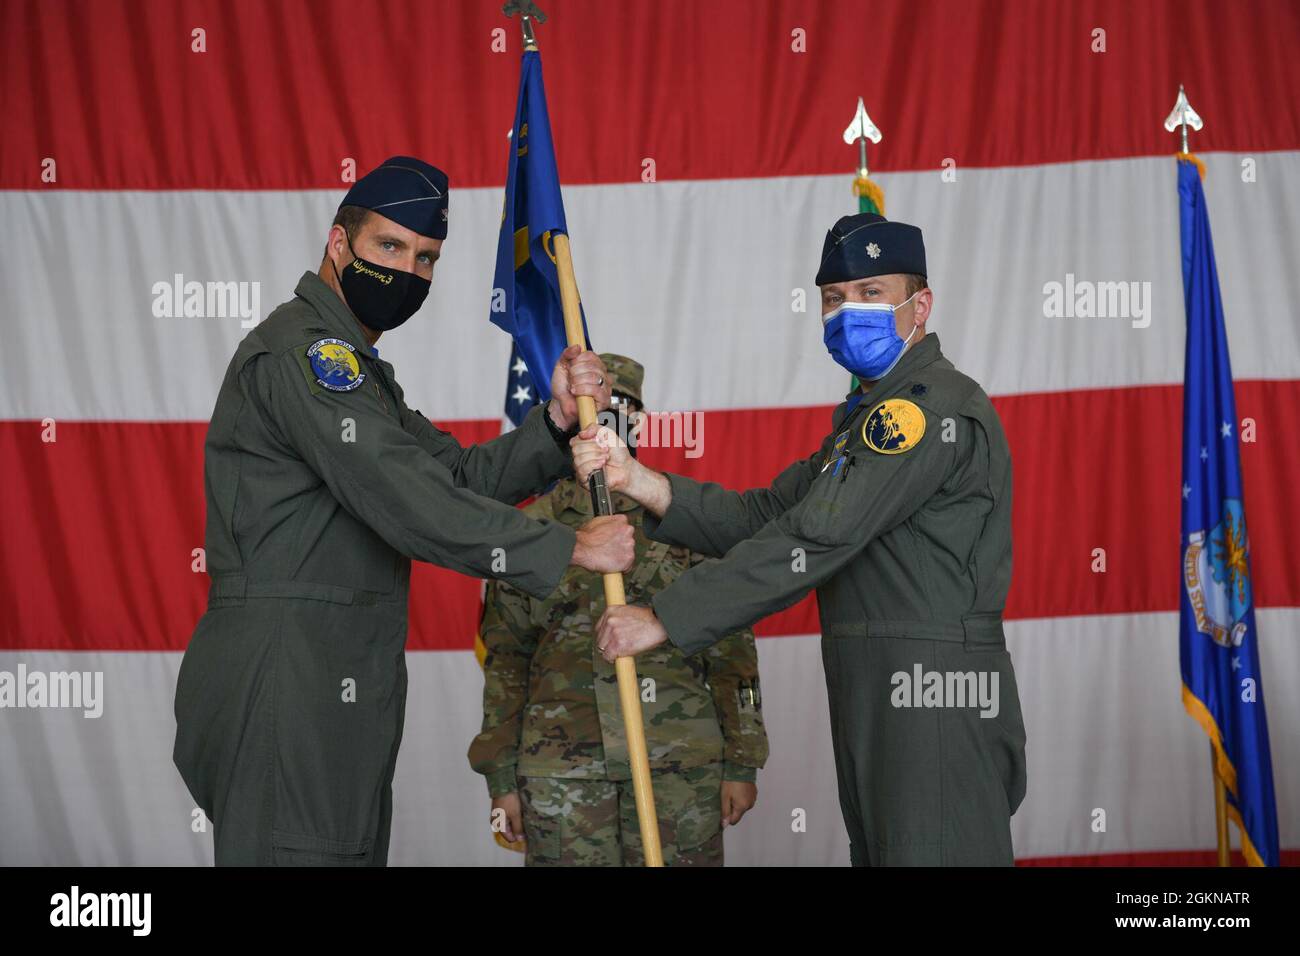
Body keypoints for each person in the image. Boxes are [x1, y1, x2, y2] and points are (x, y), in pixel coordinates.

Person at [173, 156, 635, 866]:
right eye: (390, 247)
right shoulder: (308, 357)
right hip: (287, 669)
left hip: (333, 665)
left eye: (426, 258)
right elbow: (407, 498)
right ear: (339, 243)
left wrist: (551, 422)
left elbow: (452, 474)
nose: (409, 271)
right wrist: (569, 548)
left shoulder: (358, 370)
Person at [573, 213, 1027, 866]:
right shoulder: (865, 419)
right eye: (835, 298)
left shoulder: (921, 411)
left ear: (919, 304)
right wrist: (637, 479)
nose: (849, 312)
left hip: (932, 690)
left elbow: (817, 536)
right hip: (881, 685)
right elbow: (765, 517)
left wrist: (663, 617)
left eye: (872, 292)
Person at [469, 354, 768, 866]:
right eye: (591, 409)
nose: (602, 422)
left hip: (678, 766)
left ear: (638, 420)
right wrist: (501, 777)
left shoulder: (681, 516)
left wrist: (743, 763)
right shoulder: (530, 530)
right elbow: (505, 661)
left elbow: (732, 653)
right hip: (562, 774)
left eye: (616, 409)